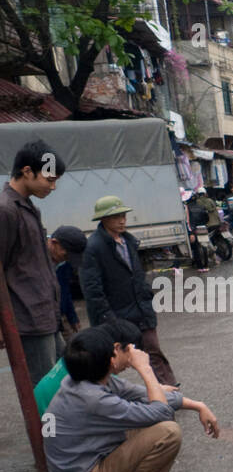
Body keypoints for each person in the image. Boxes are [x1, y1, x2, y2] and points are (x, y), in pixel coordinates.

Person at [43, 327, 219, 472]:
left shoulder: (85, 379)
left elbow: (144, 395)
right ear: (112, 357)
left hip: (84, 467)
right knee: (168, 432)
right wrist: (146, 368)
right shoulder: (94, 399)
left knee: (150, 418)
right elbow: (161, 412)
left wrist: (198, 406)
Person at [81, 195, 178, 386]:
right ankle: (104, 397)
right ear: (103, 219)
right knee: (109, 361)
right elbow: (92, 289)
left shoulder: (129, 241)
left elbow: (137, 276)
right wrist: (108, 318)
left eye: (123, 215)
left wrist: (146, 297)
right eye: (116, 216)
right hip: (115, 316)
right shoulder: (94, 247)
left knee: (153, 351)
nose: (122, 220)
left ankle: (170, 390)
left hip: (141, 310)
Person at [0, 139, 65, 383]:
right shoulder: (6, 210)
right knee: (44, 390)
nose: (54, 187)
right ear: (27, 172)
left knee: (64, 381)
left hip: (45, 315)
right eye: (50, 180)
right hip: (27, 319)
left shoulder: (27, 208)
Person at [46, 224, 85, 348]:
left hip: (59, 316)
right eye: (65, 256)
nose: (66, 260)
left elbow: (64, 290)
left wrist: (72, 316)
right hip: (42, 321)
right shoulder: (36, 258)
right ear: (54, 243)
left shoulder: (63, 263)